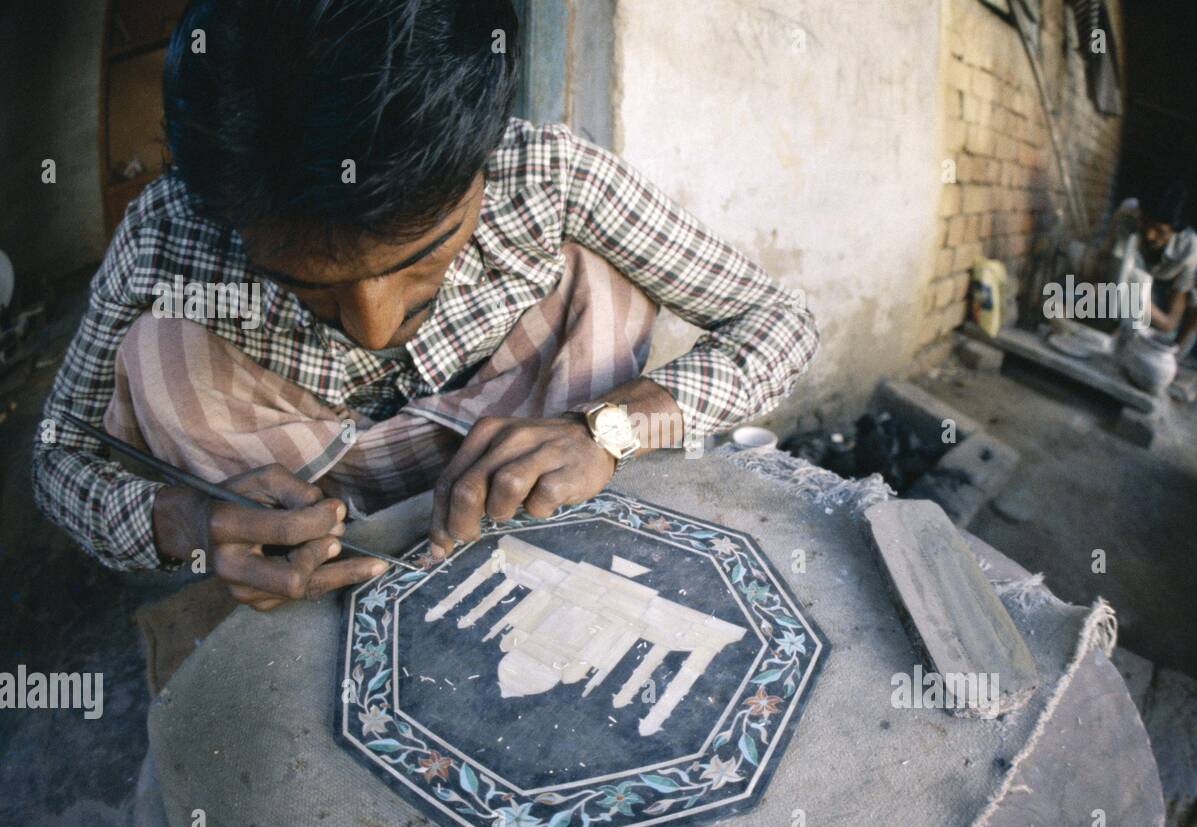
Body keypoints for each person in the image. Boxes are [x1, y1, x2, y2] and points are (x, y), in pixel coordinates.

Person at [33, 0, 818, 612]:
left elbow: (778, 322)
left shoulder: (549, 177)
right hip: (315, 574)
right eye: (305, 283)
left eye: (420, 259)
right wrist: (187, 524)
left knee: (600, 275)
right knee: (162, 347)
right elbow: (60, 450)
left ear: (481, 161)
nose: (372, 325)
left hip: (534, 523)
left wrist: (608, 427)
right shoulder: (172, 233)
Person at [1104, 184, 1197, 357]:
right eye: (1145, 223)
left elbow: (1169, 322)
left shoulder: (1191, 250)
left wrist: (1137, 301)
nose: (1150, 235)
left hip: (1169, 278)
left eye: (1159, 231)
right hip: (1139, 271)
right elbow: (1108, 258)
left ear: (1175, 232)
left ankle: (1177, 351)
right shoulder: (1128, 211)